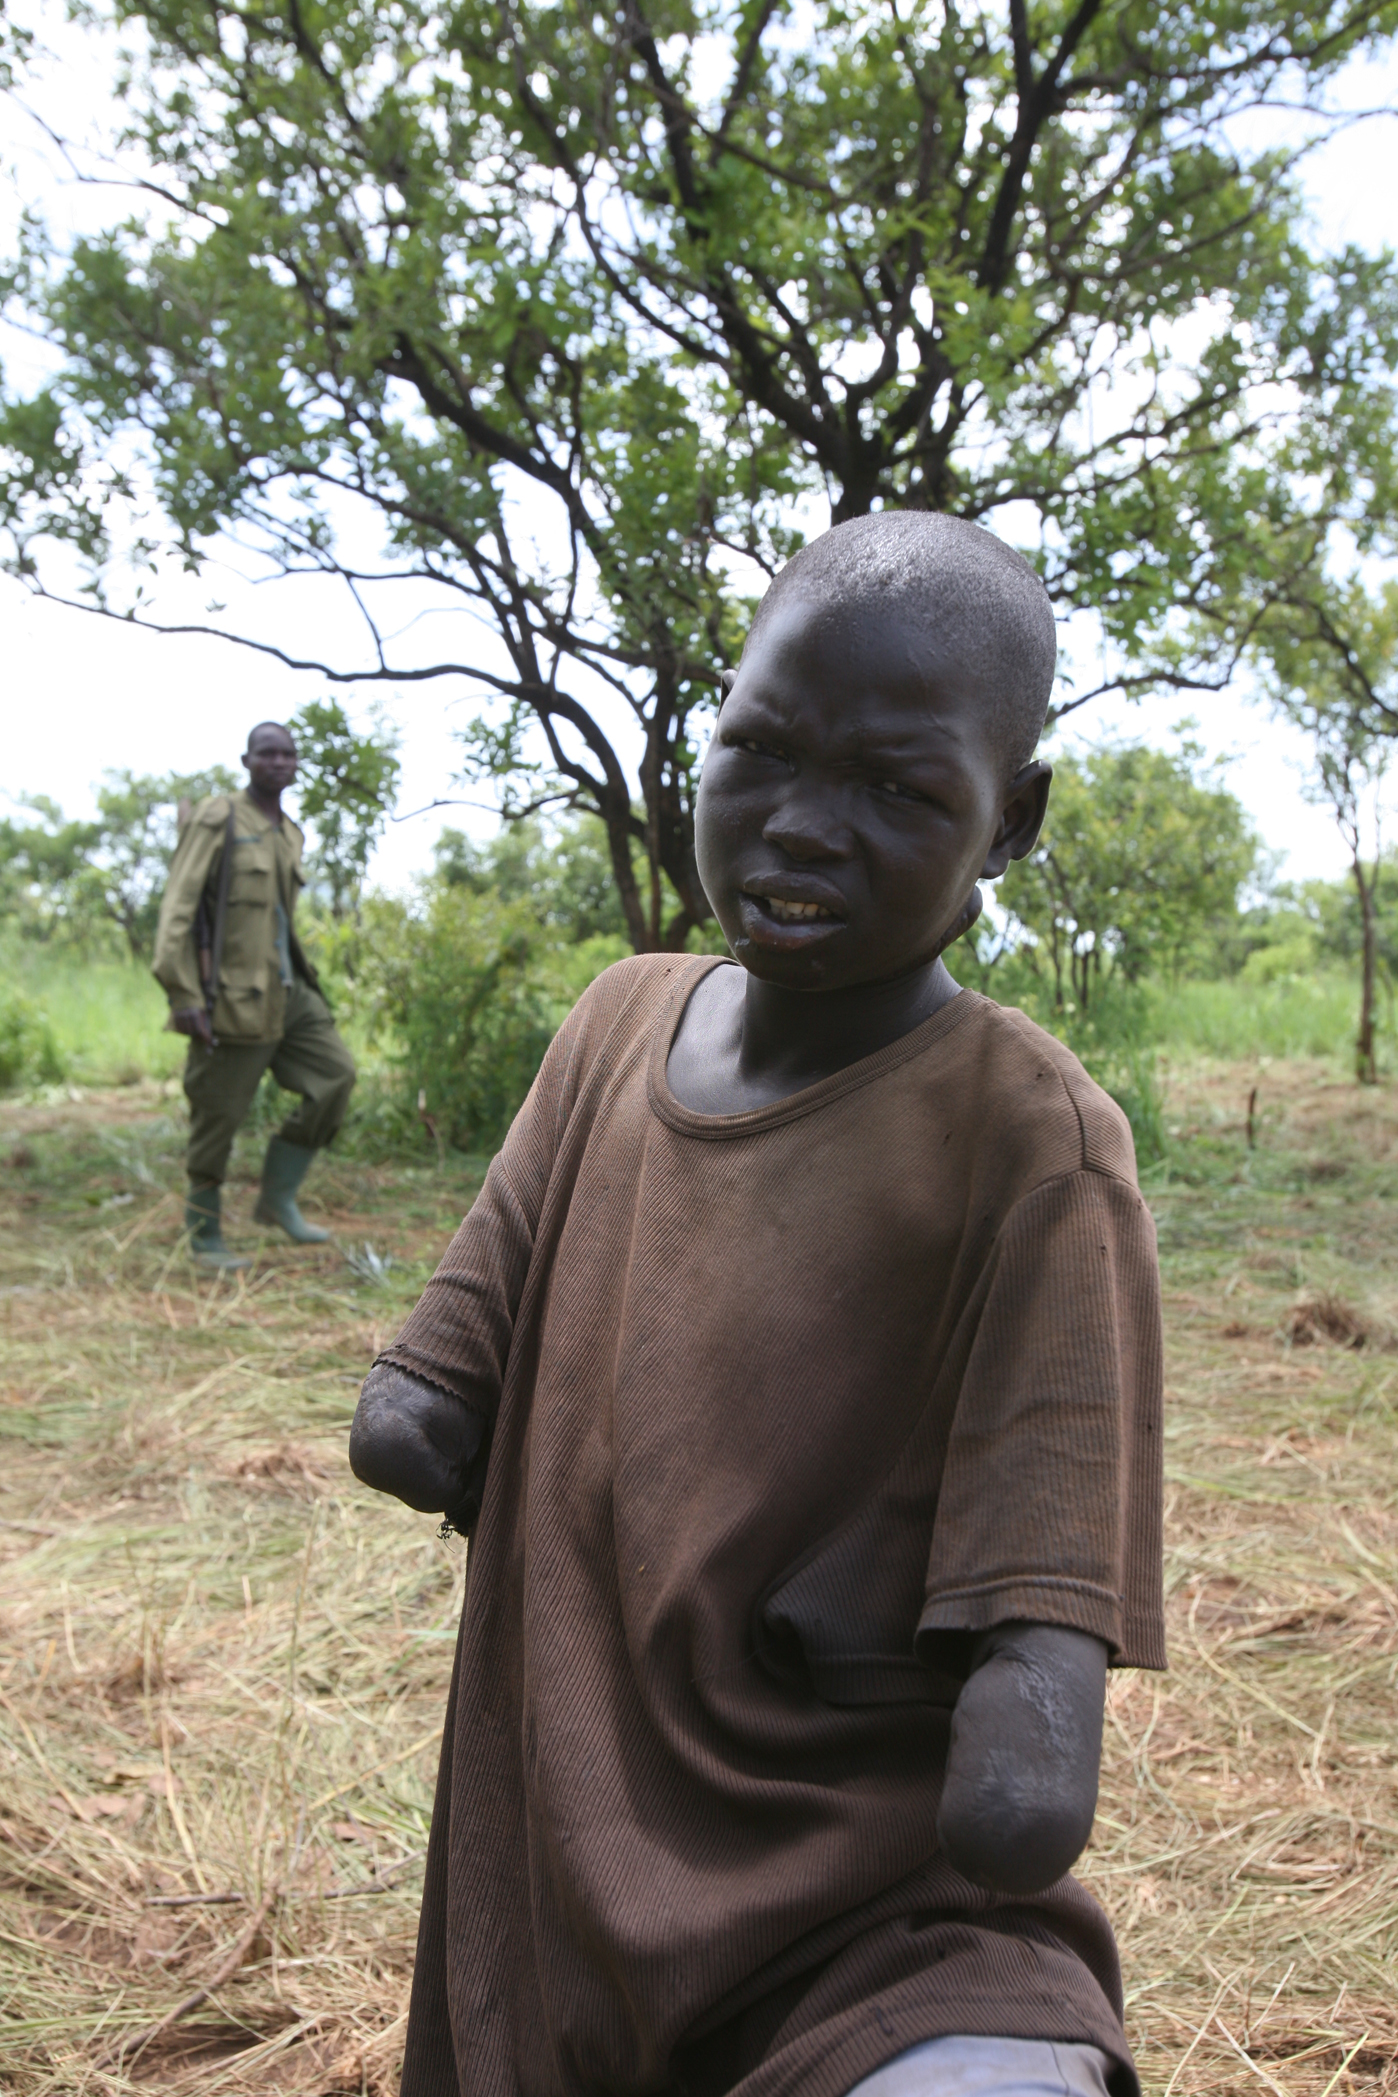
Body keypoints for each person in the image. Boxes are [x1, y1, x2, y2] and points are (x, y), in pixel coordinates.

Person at [350, 514, 1166, 2097]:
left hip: (865, 1934)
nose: (802, 827)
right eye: (761, 753)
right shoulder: (613, 1030)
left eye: (897, 789)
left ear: (1012, 822)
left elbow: (1027, 1739)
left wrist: (1013, 1684)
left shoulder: (1030, 1140)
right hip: (557, 1885)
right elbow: (415, 1414)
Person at [153, 721, 356, 1270]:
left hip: (289, 992)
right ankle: (204, 1234)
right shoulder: (220, 817)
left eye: (288, 754)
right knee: (217, 1113)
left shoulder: (290, 832)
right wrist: (182, 993)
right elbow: (180, 904)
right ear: (247, 761)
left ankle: (276, 1200)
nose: (279, 762)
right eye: (267, 753)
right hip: (231, 998)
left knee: (335, 1075)